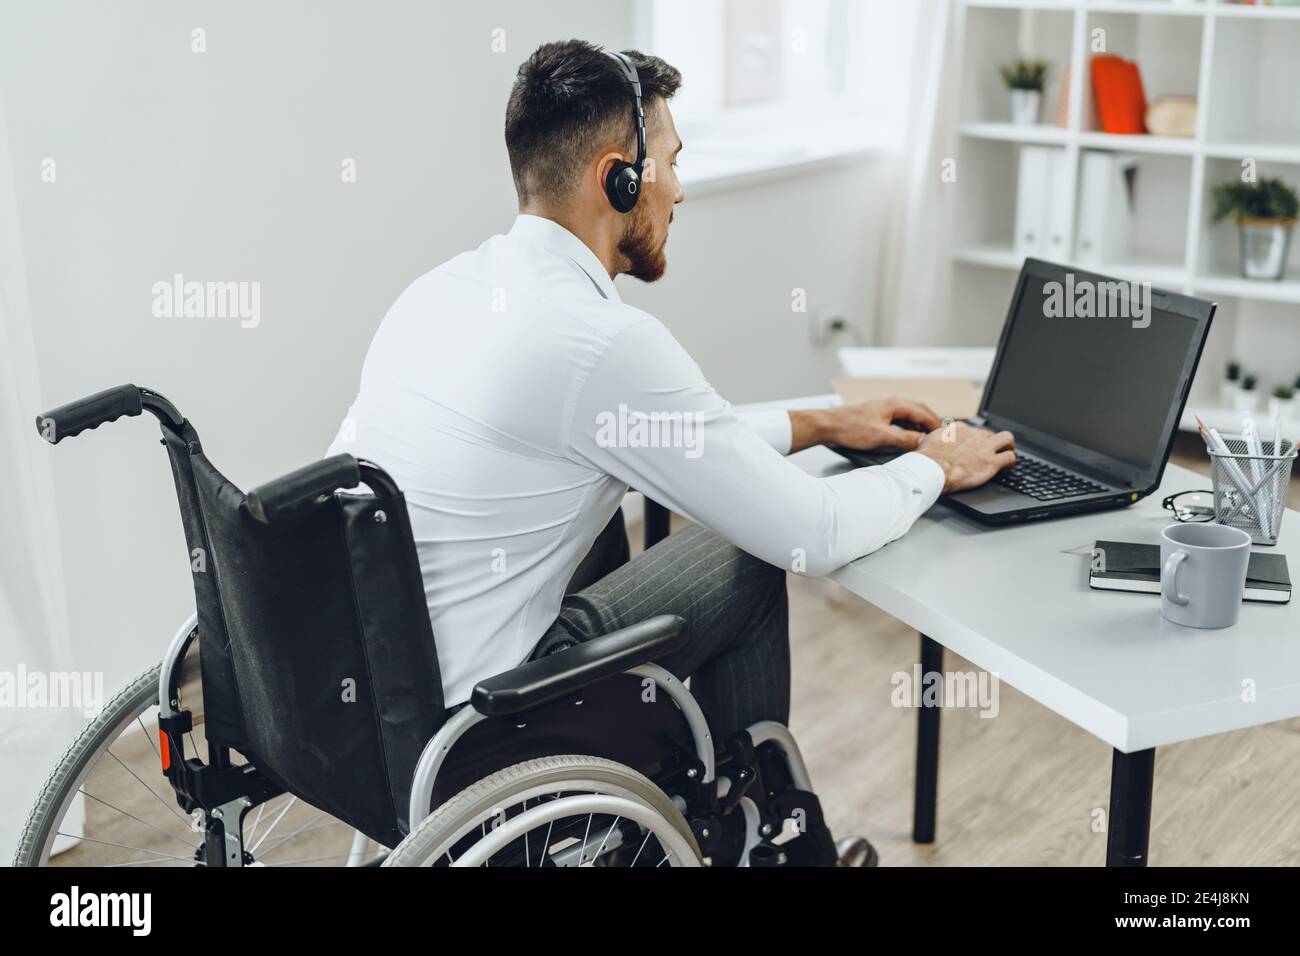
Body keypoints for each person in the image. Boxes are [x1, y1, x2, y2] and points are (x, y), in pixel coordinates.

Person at [329, 39, 1015, 865]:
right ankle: (766, 838)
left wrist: (822, 424)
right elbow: (816, 533)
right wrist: (936, 464)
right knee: (750, 555)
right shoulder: (599, 342)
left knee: (613, 534)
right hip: (478, 730)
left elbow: (669, 434)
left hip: (360, 708)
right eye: (672, 164)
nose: (680, 190)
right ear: (619, 177)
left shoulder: (444, 291)